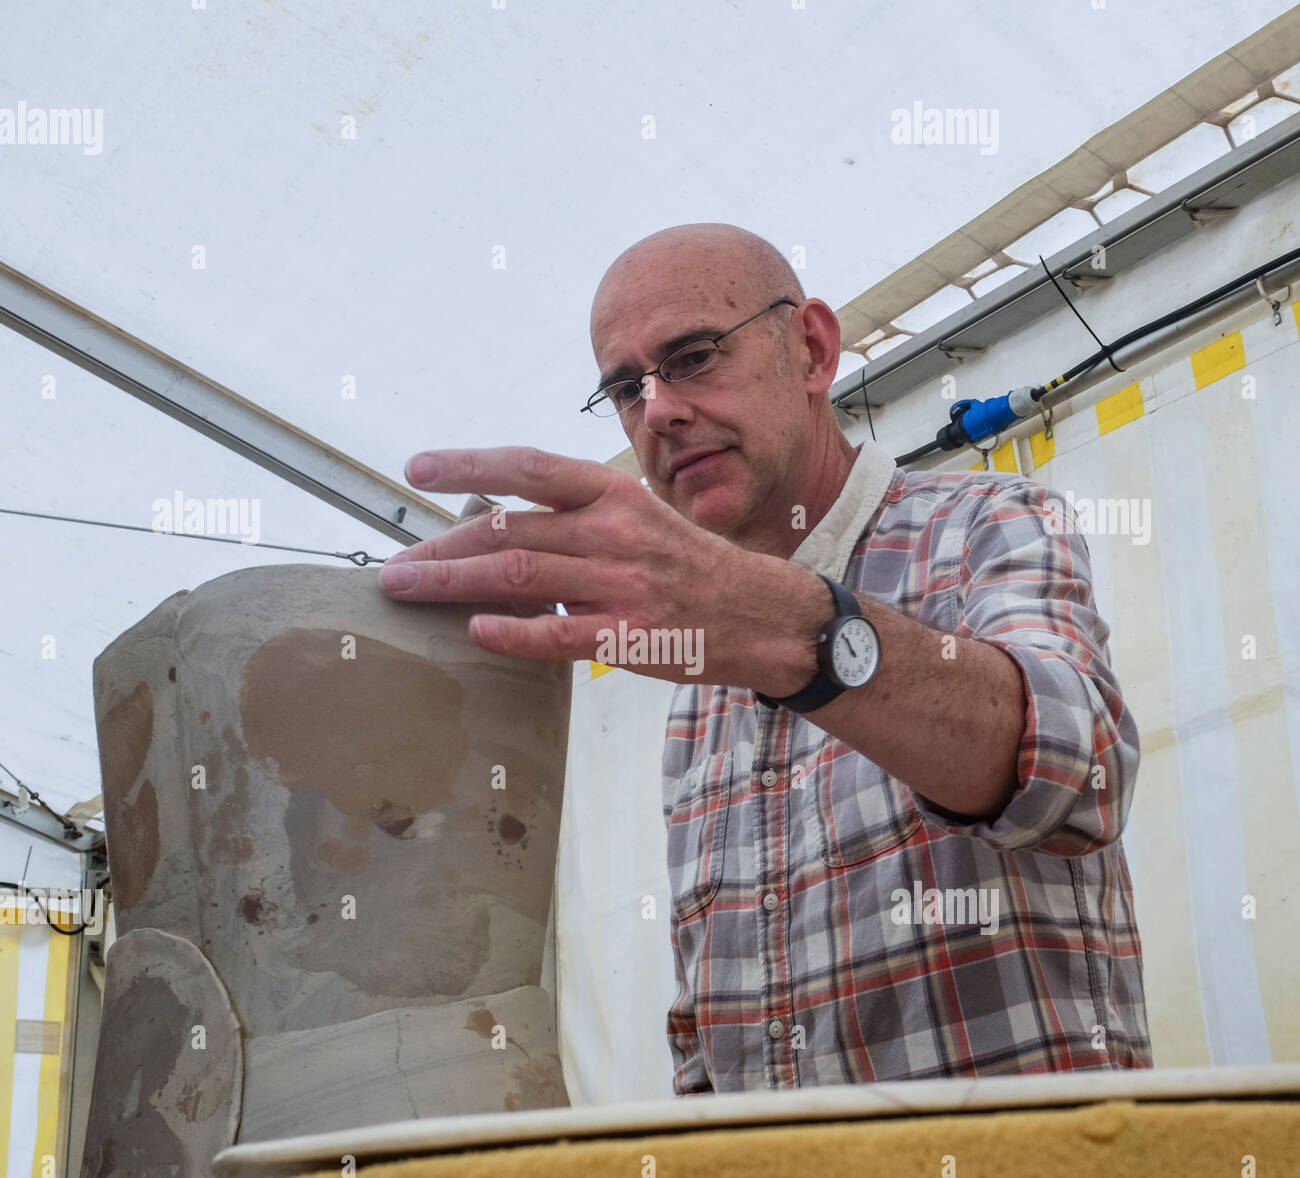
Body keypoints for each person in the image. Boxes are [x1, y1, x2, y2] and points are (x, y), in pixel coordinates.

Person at [381, 222, 1152, 1093]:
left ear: (814, 350)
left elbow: (1083, 775)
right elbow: (706, 1023)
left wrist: (788, 631)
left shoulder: (987, 523)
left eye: (696, 355)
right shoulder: (699, 685)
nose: (661, 410)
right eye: (628, 390)